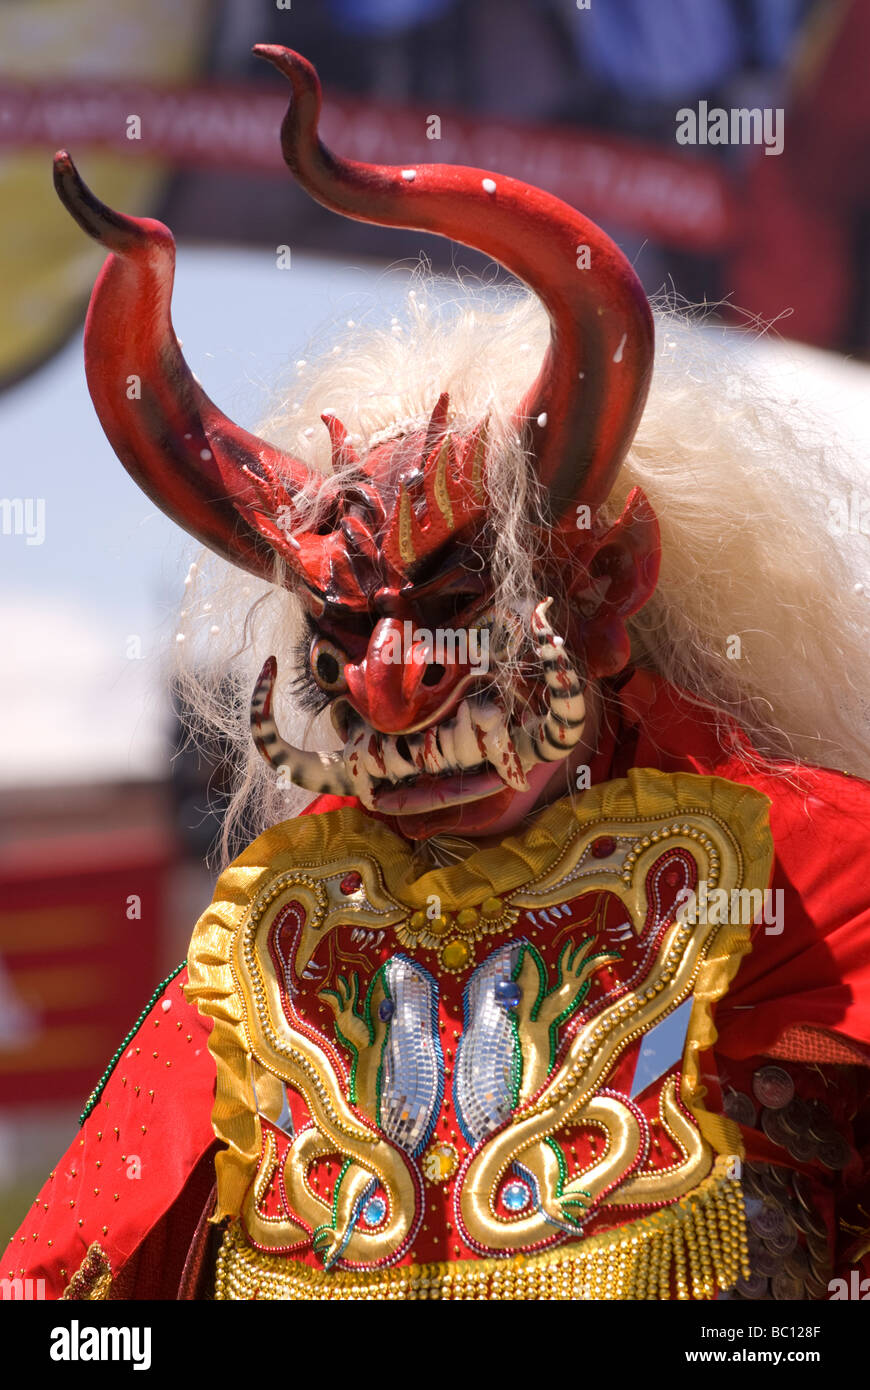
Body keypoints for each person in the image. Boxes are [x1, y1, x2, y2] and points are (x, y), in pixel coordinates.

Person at [5, 45, 870, 1301]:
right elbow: (80, 1286)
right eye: (346, 636)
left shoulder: (812, 863)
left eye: (460, 608)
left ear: (608, 579)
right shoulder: (275, 942)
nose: (392, 685)